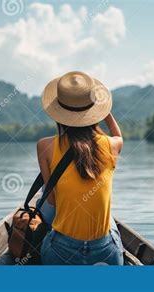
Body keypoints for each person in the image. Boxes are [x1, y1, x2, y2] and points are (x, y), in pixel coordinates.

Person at [37, 71, 124, 265]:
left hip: (61, 250)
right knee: (109, 220)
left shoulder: (44, 146)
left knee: (45, 194)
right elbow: (119, 136)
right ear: (94, 112)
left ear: (59, 114)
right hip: (105, 253)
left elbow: (52, 200)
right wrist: (104, 110)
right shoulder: (111, 145)